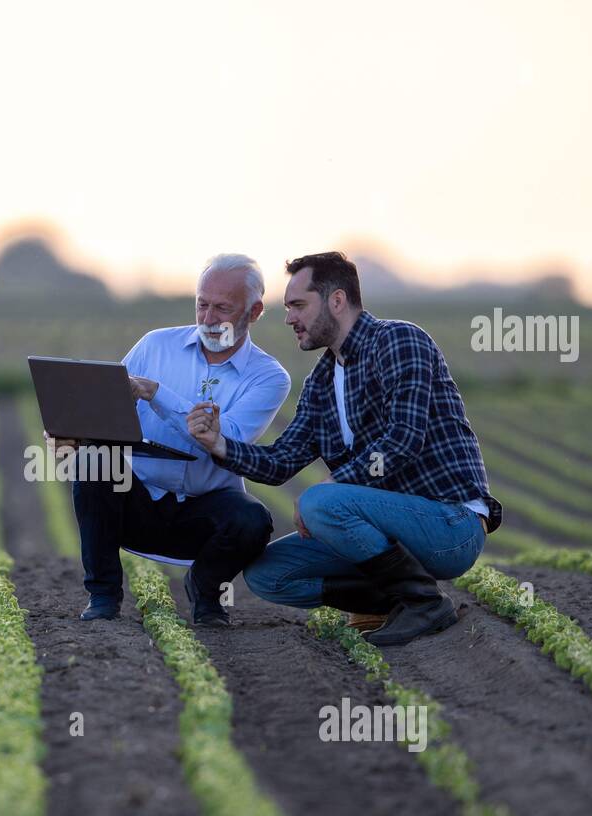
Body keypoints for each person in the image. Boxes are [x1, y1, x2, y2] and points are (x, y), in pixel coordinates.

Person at [188, 251, 503, 645]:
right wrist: (218, 444)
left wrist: (334, 484)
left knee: (323, 501)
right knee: (268, 574)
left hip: (447, 523)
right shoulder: (321, 381)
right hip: (381, 528)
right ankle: (387, 602)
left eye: (299, 305)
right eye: (287, 307)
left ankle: (424, 603)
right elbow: (280, 462)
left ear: (337, 301)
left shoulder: (399, 341)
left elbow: (403, 440)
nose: (289, 319)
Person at [50, 254, 291, 625]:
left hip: (203, 511)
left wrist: (157, 393)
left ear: (255, 311)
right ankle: (102, 596)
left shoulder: (268, 377)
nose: (208, 319)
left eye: (223, 309)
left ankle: (206, 591)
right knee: (95, 465)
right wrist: (73, 431)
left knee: (253, 519)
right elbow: (107, 408)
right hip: (138, 504)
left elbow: (230, 438)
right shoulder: (154, 346)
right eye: (202, 305)